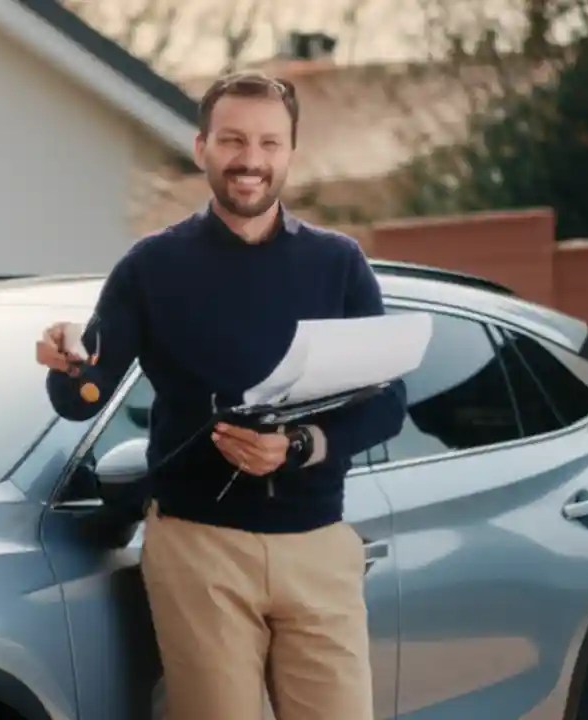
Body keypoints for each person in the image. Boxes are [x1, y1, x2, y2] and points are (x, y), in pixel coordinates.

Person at [35, 70, 408, 720]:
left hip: (318, 544)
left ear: (290, 153)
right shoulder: (151, 267)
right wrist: (68, 363)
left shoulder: (338, 264)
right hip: (199, 551)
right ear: (202, 145)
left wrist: (297, 447)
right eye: (234, 140)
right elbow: (85, 394)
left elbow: (386, 404)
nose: (251, 161)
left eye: (270, 143)